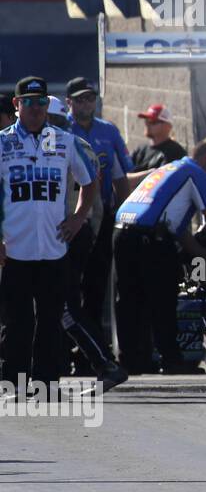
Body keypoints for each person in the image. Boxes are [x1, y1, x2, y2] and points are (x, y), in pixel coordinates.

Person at [0, 78, 95, 392]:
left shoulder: (65, 141)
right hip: (14, 249)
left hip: (54, 248)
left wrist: (78, 218)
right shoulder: (2, 143)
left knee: (51, 320)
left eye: (41, 102)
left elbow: (90, 181)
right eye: (29, 102)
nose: (36, 109)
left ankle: (46, 383)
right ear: (17, 105)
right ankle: (14, 383)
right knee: (17, 322)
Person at [113, 140, 206, 374]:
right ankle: (172, 359)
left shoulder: (169, 169)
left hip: (123, 232)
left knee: (131, 301)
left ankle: (132, 360)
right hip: (151, 238)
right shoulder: (196, 172)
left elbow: (179, 231)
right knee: (163, 299)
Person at [48, 99, 127, 388]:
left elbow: (91, 190)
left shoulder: (58, 148)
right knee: (52, 306)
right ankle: (50, 366)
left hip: (65, 234)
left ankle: (104, 363)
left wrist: (78, 226)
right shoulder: (77, 145)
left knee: (65, 307)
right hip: (75, 232)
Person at [64, 77, 131, 349]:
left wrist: (123, 215)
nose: (86, 104)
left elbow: (121, 177)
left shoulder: (108, 131)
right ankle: (68, 349)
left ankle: (90, 353)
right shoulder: (61, 129)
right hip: (68, 217)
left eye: (90, 98)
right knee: (68, 287)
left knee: (96, 285)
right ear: (69, 102)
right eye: (79, 99)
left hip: (101, 215)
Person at [129, 103, 187, 174]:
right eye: (146, 121)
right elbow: (124, 175)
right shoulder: (141, 150)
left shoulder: (175, 152)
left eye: (153, 122)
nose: (147, 124)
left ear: (167, 126)